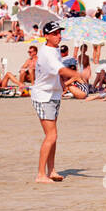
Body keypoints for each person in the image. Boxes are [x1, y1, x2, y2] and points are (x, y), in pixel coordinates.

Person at [32, 21, 78, 184]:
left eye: (59, 33)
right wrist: (81, 75)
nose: (59, 36)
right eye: (55, 33)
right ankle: (40, 174)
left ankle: (51, 170)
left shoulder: (55, 50)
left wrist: (64, 85)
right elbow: (60, 70)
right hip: (43, 96)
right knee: (51, 135)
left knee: (52, 136)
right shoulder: (46, 53)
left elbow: (57, 74)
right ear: (46, 36)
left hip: (53, 95)